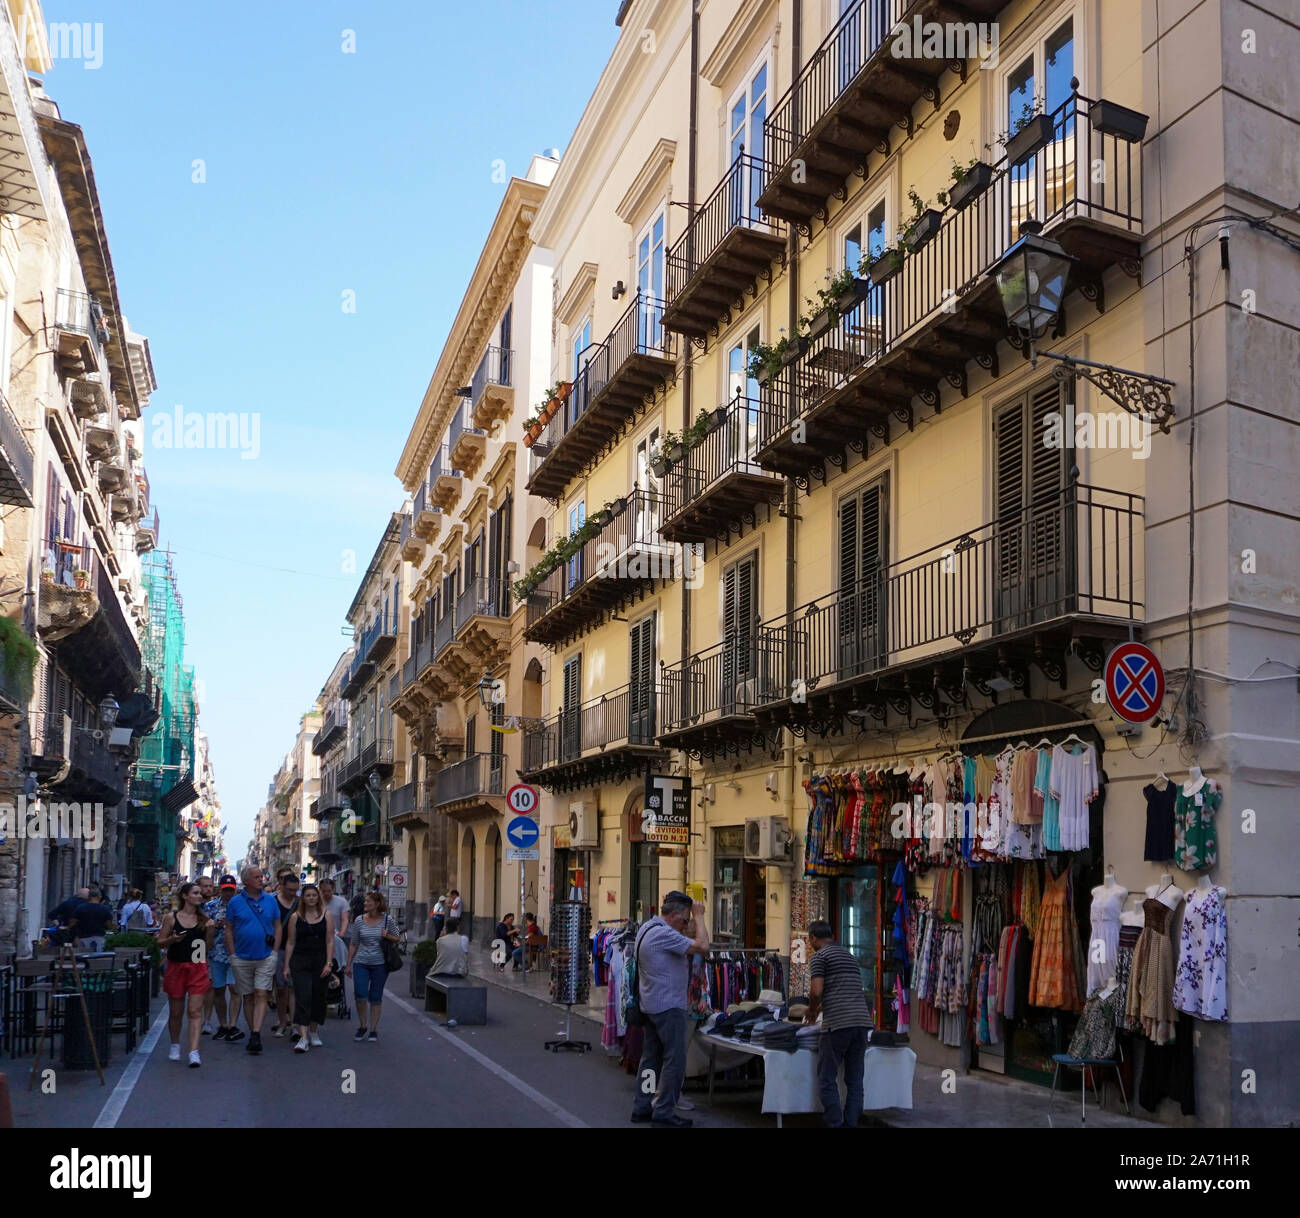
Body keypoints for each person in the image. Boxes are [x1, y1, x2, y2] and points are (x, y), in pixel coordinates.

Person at [630, 891, 709, 1128]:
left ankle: (642, 1106)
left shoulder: (647, 928)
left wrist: (691, 919)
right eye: (685, 920)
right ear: (673, 915)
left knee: (650, 1061)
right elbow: (703, 946)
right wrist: (700, 916)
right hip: (669, 1006)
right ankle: (664, 1111)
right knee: (675, 1061)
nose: (686, 926)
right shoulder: (665, 934)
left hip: (651, 1004)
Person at [804, 920, 873, 1128]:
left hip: (838, 1024)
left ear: (813, 938)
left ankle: (834, 1123)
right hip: (861, 1022)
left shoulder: (819, 957)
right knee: (854, 1080)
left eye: (810, 940)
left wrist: (812, 1010)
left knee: (826, 1078)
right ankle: (851, 1124)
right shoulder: (849, 956)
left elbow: (816, 991)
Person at [224, 866, 280, 1054]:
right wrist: (232, 954)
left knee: (261, 993)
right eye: (256, 877)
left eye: (261, 876)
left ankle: (256, 1034)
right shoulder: (235, 903)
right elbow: (229, 929)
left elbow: (278, 926)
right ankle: (252, 1030)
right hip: (241, 957)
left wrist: (274, 951)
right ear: (246, 881)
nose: (260, 879)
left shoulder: (271, 901)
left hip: (265, 956)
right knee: (247, 996)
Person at [158, 882, 214, 1068]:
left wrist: (211, 931)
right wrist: (172, 939)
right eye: (196, 893)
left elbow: (207, 947)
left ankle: (194, 1052)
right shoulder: (171, 918)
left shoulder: (205, 920)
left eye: (200, 893)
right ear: (185, 896)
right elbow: (160, 942)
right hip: (176, 966)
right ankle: (175, 1045)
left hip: (198, 966)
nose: (200, 896)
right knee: (176, 1012)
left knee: (194, 1011)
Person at [283, 884, 335, 1054]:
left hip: (320, 960)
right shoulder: (295, 917)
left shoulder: (326, 915)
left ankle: (313, 1031)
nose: (311, 898)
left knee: (318, 998)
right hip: (300, 961)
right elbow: (290, 942)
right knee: (303, 997)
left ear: (318, 897)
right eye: (308, 895)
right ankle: (303, 1037)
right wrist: (286, 965)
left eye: (314, 895)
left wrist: (328, 963)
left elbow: (330, 940)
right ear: (303, 898)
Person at [346, 890, 399, 1043]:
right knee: (360, 994)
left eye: (368, 901)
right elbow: (354, 943)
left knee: (376, 997)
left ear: (377, 904)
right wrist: (348, 964)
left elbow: (397, 937)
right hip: (361, 962)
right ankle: (362, 1025)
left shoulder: (387, 920)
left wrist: (386, 935)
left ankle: (373, 1029)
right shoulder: (359, 920)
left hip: (380, 964)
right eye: (365, 901)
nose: (365, 904)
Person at [203, 875, 244, 1042]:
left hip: (237, 953)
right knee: (218, 990)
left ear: (235, 889)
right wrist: (214, 925)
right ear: (220, 889)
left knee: (235, 990)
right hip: (216, 954)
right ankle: (223, 1025)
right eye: (225, 889)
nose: (228, 892)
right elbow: (202, 929)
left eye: (231, 889)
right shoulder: (210, 906)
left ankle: (233, 1025)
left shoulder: (242, 905)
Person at [270, 871, 300, 1037]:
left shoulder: (300, 902)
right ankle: (282, 1021)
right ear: (281, 887)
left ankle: (294, 1024)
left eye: (295, 890)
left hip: (296, 950)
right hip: (277, 949)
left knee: (294, 988)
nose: (292, 894)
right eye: (289, 890)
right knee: (281, 989)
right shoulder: (272, 902)